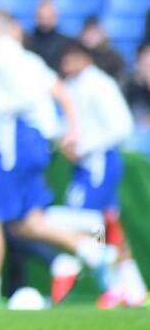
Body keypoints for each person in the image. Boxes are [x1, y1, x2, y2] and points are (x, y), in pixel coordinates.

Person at [0, 9, 114, 308]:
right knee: (26, 223)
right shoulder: (26, 58)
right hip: (33, 145)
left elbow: (14, 100)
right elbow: (57, 89)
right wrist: (71, 127)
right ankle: (92, 250)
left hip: (10, 147)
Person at [58, 41, 144, 307]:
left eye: (72, 57)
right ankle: (136, 291)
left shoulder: (99, 84)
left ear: (85, 58)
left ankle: (111, 286)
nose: (67, 64)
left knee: (80, 222)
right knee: (110, 227)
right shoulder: (74, 85)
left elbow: (122, 126)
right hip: (86, 165)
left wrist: (83, 146)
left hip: (99, 163)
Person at [25, 0, 71, 72]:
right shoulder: (27, 41)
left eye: (49, 17)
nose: (45, 21)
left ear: (56, 17)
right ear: (36, 17)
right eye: (42, 17)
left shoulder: (66, 43)